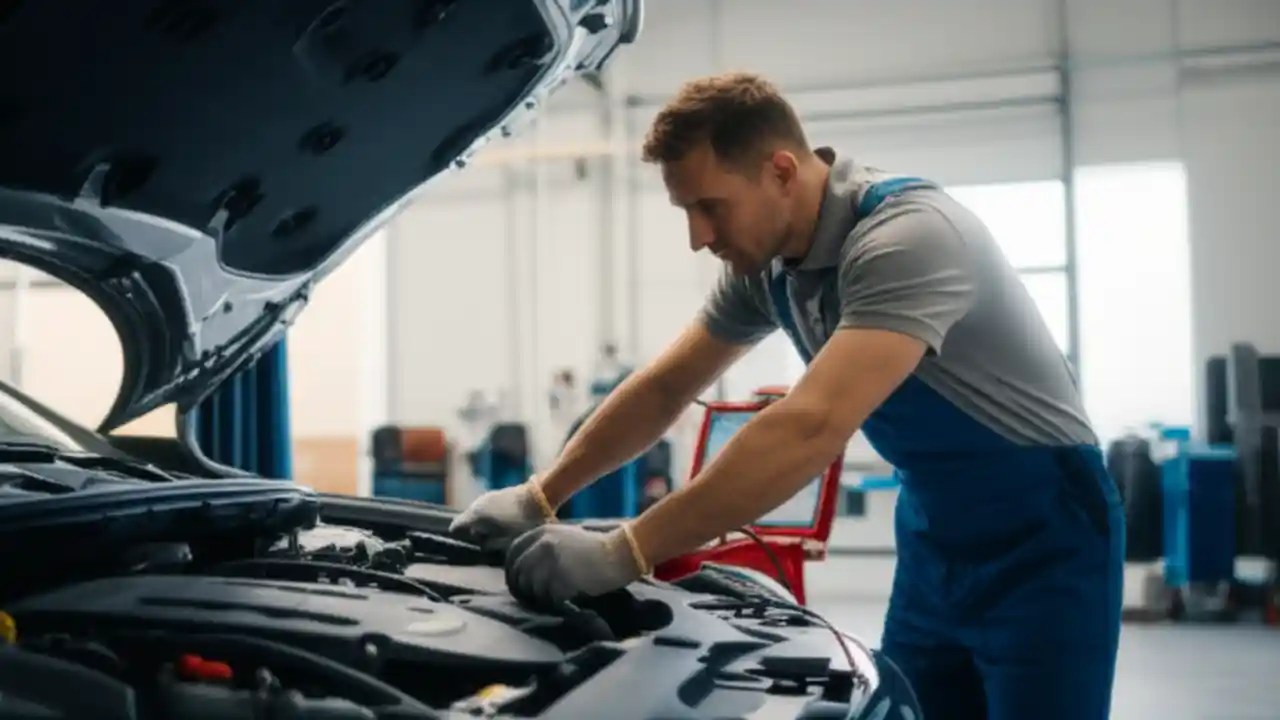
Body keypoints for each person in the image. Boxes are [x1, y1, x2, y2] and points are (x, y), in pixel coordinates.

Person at [450, 72, 1124, 720]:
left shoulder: (907, 238)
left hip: (1049, 535)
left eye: (710, 208)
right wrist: (542, 494)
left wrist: (623, 553)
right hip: (936, 536)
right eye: (687, 212)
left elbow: (810, 425)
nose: (699, 238)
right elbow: (665, 388)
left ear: (780, 171)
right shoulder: (768, 267)